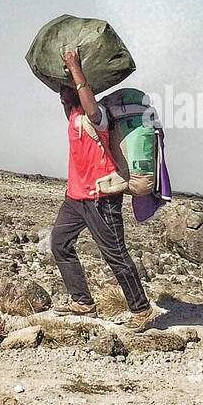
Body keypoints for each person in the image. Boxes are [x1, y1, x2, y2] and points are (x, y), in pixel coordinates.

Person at [50, 48, 155, 325]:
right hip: (75, 198)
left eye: (66, 92)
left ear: (80, 91)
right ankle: (82, 302)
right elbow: (71, 100)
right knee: (60, 244)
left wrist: (75, 68)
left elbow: (89, 102)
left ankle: (141, 309)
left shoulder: (98, 117)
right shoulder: (73, 116)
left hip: (101, 196)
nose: (61, 95)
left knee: (115, 253)